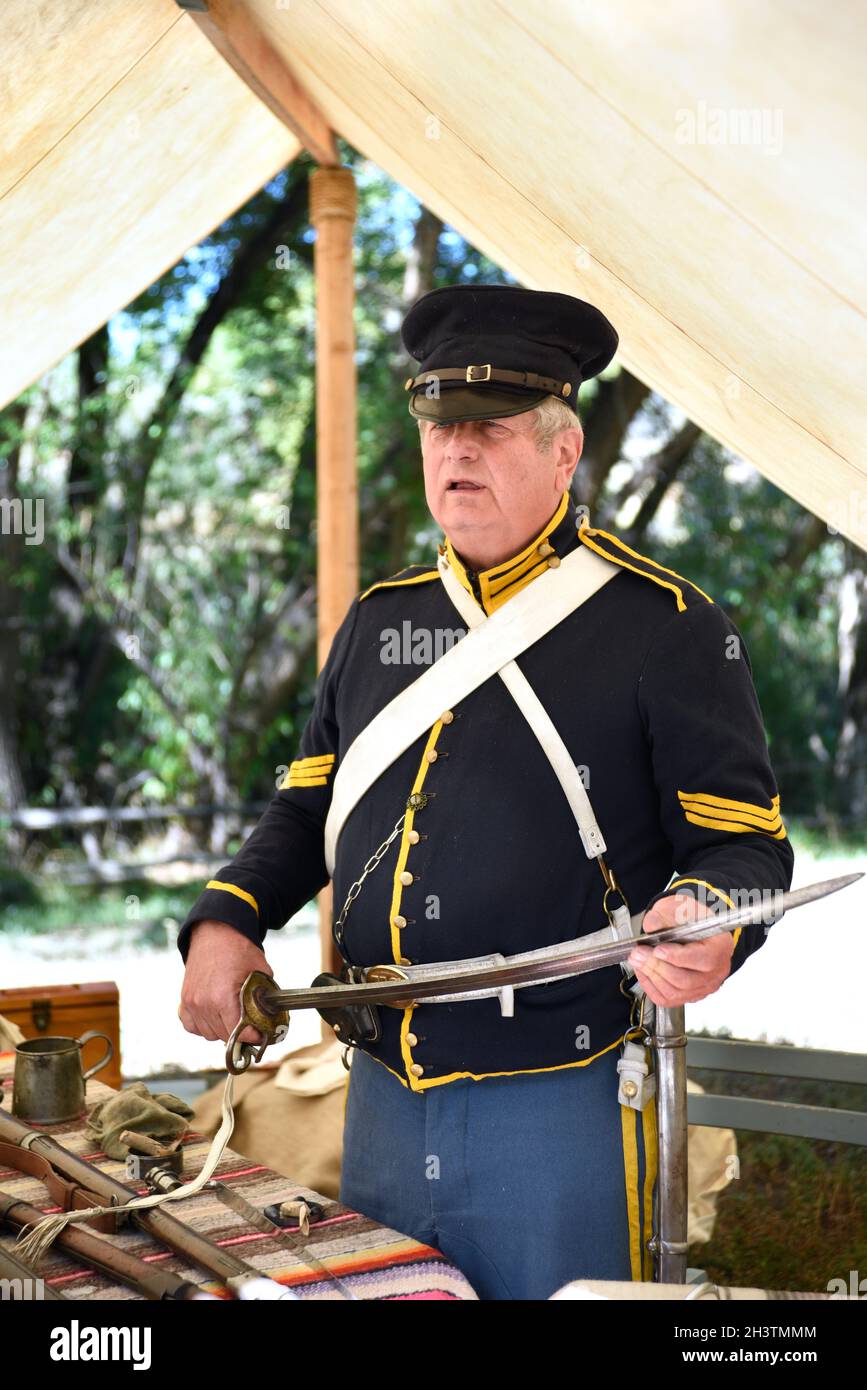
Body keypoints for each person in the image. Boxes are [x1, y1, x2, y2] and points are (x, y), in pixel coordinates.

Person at [177, 284, 794, 1299]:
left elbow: (745, 845)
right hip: (377, 1097)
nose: (456, 450)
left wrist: (711, 912)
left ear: (564, 450)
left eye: (490, 428)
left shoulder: (665, 624)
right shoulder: (380, 623)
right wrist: (228, 916)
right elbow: (307, 812)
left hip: (555, 1103)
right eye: (439, 426)